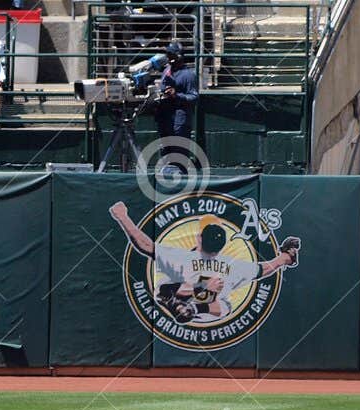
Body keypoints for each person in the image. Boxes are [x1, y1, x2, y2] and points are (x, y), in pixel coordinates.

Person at [107, 203, 299, 322]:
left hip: (190, 302)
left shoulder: (181, 258)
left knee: (164, 288)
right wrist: (286, 257)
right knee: (223, 305)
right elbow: (265, 268)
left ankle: (187, 306)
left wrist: (123, 217)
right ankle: (190, 306)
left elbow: (144, 245)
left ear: (198, 238)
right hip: (211, 311)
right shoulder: (233, 266)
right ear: (222, 244)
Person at [153, 40, 197, 173]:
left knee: (179, 152)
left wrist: (177, 96)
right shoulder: (167, 71)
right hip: (165, 117)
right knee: (165, 150)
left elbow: (194, 97)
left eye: (171, 55)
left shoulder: (188, 75)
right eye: (168, 55)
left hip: (179, 120)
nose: (169, 58)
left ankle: (181, 175)